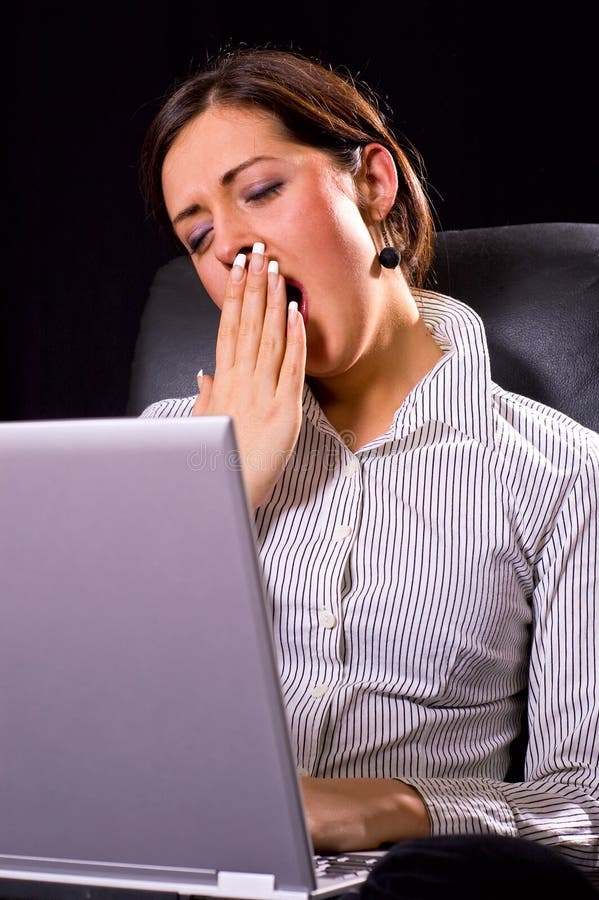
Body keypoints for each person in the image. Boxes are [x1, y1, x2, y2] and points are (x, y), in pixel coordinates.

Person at [138, 46, 599, 896]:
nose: (233, 246)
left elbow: (588, 810)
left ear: (373, 183)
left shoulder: (561, 476)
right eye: (199, 235)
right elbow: (79, 739)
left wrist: (385, 807)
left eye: (262, 191)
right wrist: (217, 487)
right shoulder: (163, 452)